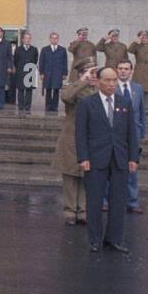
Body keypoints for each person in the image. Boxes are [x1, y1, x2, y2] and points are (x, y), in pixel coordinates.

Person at [75, 67, 139, 253]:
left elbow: (131, 133)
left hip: (120, 158)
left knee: (118, 201)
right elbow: (81, 133)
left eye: (114, 80)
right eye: (108, 80)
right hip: (95, 159)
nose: (112, 84)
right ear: (98, 81)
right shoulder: (87, 103)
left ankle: (114, 239)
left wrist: (133, 157)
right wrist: (83, 157)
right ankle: (95, 240)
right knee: (94, 201)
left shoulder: (124, 102)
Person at [55, 58, 98, 227]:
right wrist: (83, 81)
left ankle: (83, 210)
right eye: (90, 72)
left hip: (91, 139)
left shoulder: (98, 89)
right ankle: (70, 211)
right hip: (71, 139)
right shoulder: (72, 87)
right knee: (70, 177)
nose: (93, 75)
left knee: (86, 176)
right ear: (81, 73)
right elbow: (66, 97)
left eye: (94, 72)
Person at [113, 59, 146, 214]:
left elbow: (141, 112)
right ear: (116, 70)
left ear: (131, 71)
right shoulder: (110, 88)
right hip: (115, 135)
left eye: (126, 69)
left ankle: (132, 202)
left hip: (133, 135)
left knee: (132, 169)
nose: (123, 71)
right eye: (120, 68)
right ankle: (107, 201)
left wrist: (141, 132)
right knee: (110, 168)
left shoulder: (137, 88)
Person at [126, 30, 148, 115]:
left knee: (147, 91)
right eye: (143, 37)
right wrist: (136, 42)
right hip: (139, 70)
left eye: (146, 37)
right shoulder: (137, 46)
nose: (145, 38)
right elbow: (130, 50)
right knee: (136, 90)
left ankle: (146, 109)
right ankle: (135, 107)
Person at [39, 31, 67, 113]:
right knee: (48, 89)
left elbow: (64, 62)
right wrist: (41, 73)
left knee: (56, 90)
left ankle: (54, 107)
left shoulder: (62, 50)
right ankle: (48, 106)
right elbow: (41, 62)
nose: (54, 40)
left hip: (58, 73)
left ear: (58, 39)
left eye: (56, 38)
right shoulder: (45, 49)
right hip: (47, 72)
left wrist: (65, 73)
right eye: (53, 38)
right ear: (50, 39)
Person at [12, 31, 38, 117]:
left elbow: (35, 60)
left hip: (30, 71)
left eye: (29, 38)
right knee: (20, 90)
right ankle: (20, 106)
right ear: (23, 39)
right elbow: (15, 60)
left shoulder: (34, 49)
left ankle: (27, 107)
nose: (27, 40)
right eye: (26, 38)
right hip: (20, 71)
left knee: (29, 91)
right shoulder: (18, 49)